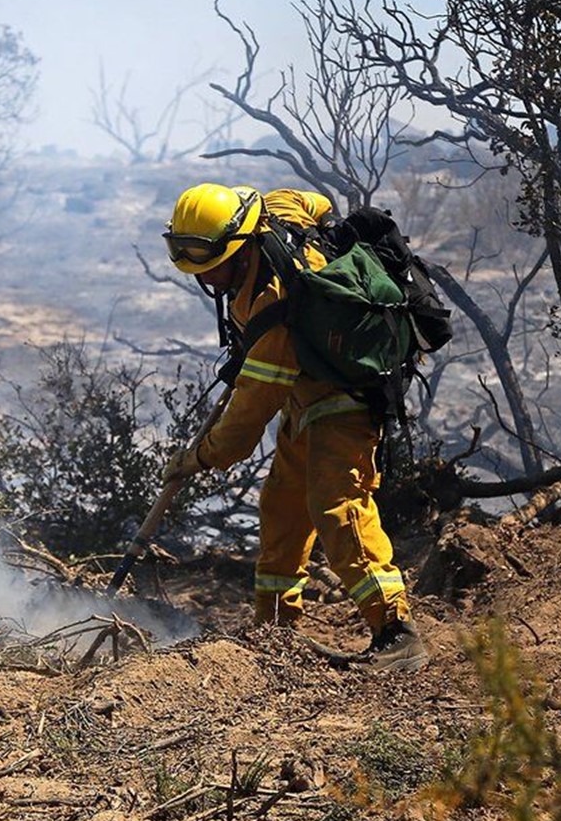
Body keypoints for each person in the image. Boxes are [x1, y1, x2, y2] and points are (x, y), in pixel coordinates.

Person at [158, 183, 428, 672]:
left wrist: (196, 458)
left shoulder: (273, 309)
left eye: (212, 263)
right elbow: (312, 202)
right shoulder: (274, 210)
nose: (205, 275)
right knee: (282, 507)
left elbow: (243, 426)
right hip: (307, 398)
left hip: (346, 397)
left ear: (241, 245)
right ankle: (275, 629)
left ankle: (396, 630)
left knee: (337, 506)